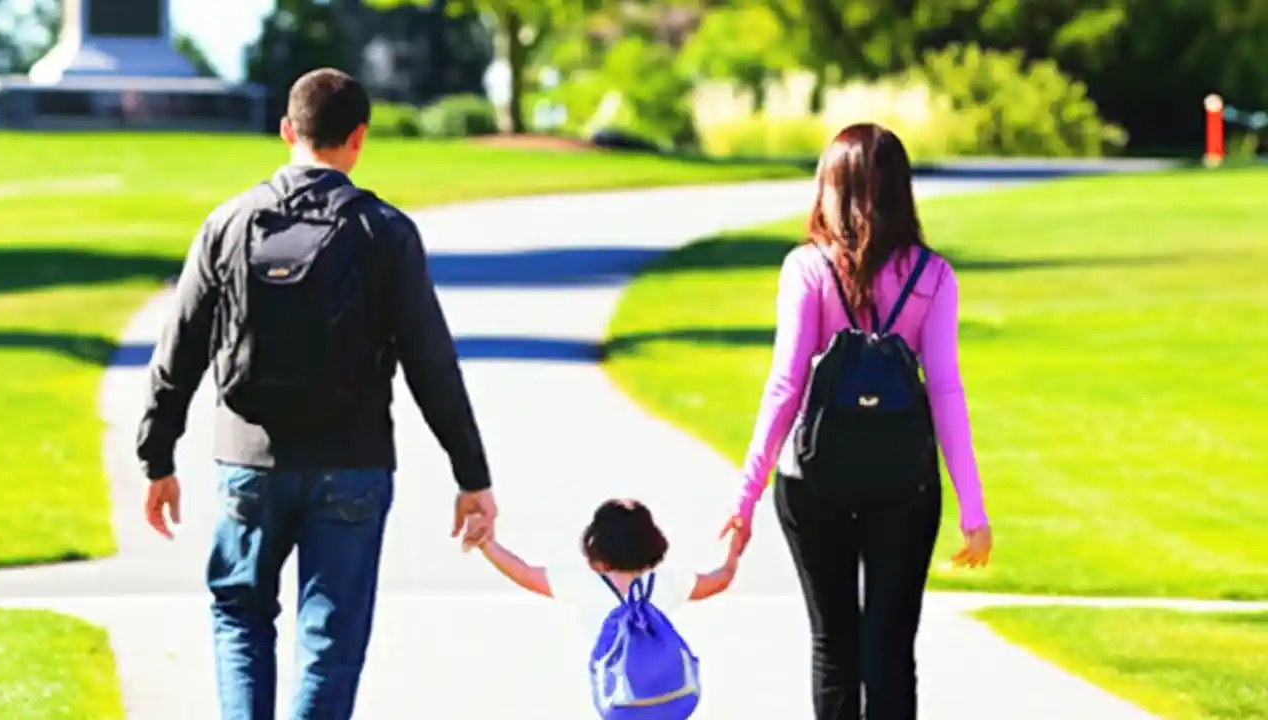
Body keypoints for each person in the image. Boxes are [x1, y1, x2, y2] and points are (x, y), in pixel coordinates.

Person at [136, 67, 498, 720]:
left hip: (249, 462)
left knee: (240, 615)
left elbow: (177, 353)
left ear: (286, 131)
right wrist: (472, 476)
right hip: (353, 464)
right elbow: (431, 365)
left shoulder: (228, 223)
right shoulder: (384, 232)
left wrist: (156, 459)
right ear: (359, 138)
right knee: (331, 643)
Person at [720, 123, 993, 719]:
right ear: (901, 190)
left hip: (812, 483)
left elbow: (787, 385)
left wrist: (744, 498)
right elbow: (945, 389)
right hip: (905, 485)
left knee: (834, 647)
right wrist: (973, 510)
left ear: (829, 189)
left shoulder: (806, 269)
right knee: (891, 651)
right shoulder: (933, 276)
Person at [462, 499, 741, 719]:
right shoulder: (667, 582)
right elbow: (720, 580)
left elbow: (522, 572)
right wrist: (734, 549)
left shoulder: (581, 583)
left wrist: (487, 544)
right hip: (666, 699)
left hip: (620, 701)